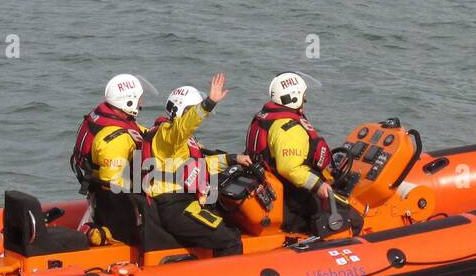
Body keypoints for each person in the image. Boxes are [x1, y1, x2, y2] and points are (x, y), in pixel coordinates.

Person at [143, 73, 250, 256]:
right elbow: (184, 125)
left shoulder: (181, 140)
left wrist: (232, 159)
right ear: (181, 112)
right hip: (174, 206)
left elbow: (198, 166)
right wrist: (208, 103)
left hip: (185, 202)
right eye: (191, 110)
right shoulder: (167, 135)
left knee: (231, 225)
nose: (198, 119)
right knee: (230, 240)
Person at [245, 72, 362, 236]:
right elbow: (290, 169)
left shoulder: (265, 118)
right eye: (303, 95)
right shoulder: (289, 129)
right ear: (294, 97)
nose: (305, 99)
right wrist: (319, 185)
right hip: (292, 196)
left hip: (274, 186)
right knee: (354, 219)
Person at [70, 74, 149, 244]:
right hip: (112, 203)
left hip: (99, 189)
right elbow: (113, 189)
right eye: (139, 99)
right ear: (128, 101)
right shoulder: (115, 140)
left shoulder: (109, 115)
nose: (141, 102)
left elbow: (138, 131)